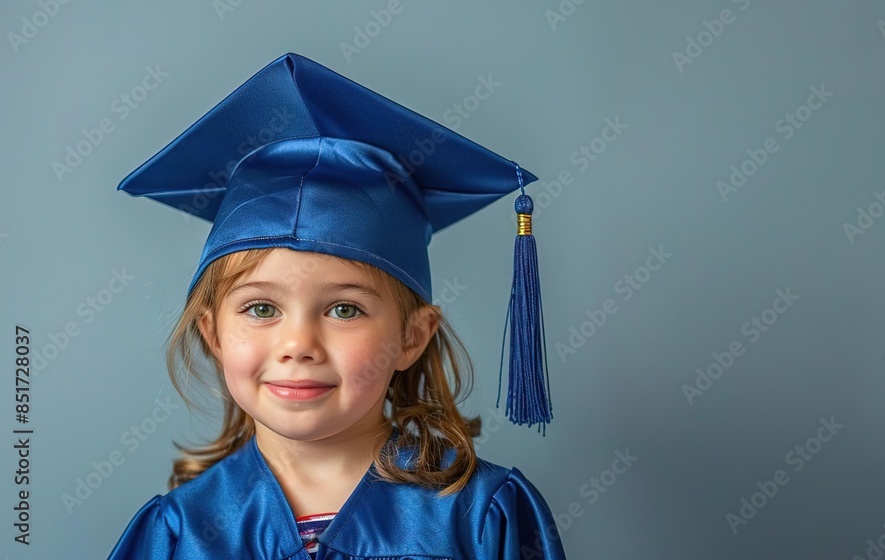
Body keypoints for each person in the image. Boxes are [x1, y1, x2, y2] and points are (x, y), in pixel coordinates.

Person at [108, 52, 565, 559]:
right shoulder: (180, 533)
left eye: (344, 310)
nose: (298, 344)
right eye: (261, 309)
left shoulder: (479, 516)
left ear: (411, 337)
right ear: (212, 333)